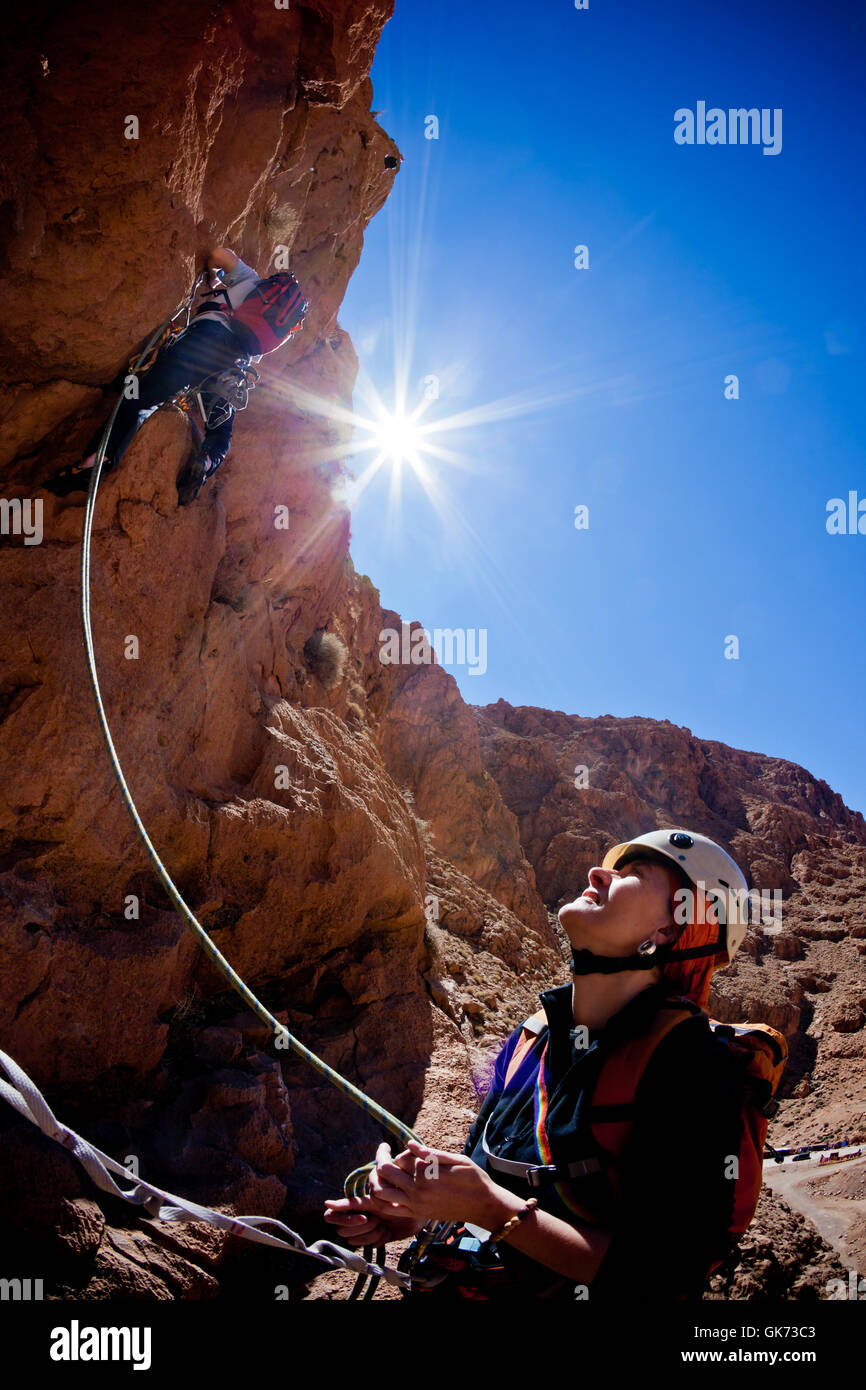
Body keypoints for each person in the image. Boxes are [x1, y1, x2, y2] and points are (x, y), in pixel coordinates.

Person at [323, 827, 753, 1301]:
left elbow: (662, 1276)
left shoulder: (688, 1063)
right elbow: (488, 1175)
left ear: (671, 927)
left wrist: (489, 1208)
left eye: (633, 874)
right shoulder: (536, 1035)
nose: (597, 873)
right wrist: (417, 1211)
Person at [43, 248, 296, 505]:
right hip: (233, 367)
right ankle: (206, 462)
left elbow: (219, 253)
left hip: (202, 342)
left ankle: (95, 462)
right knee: (220, 432)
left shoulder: (250, 280)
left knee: (141, 400)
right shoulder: (271, 331)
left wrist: (213, 277)